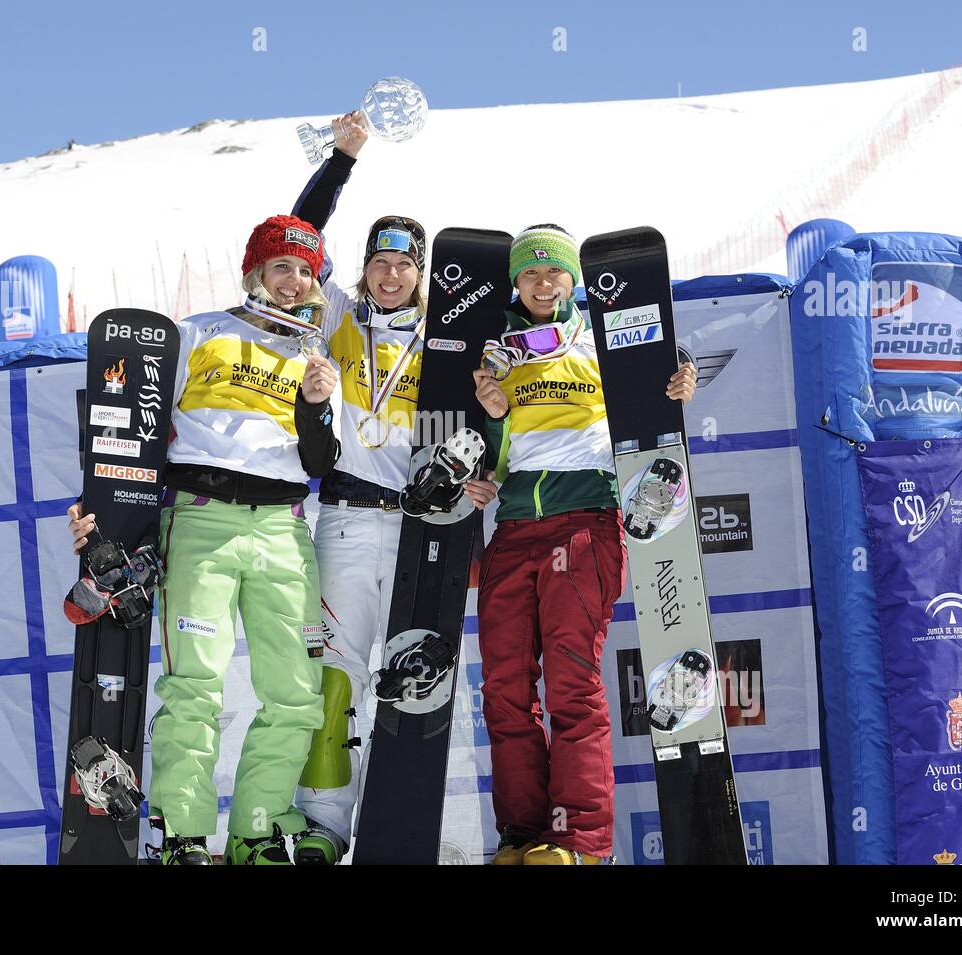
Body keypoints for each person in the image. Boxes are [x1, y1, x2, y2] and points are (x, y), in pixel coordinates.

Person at [67, 214, 341, 865]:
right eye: (280, 266)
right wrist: (95, 508)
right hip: (203, 522)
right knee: (195, 687)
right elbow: (130, 431)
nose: (292, 281)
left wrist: (314, 404)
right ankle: (181, 836)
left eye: (304, 271)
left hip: (283, 530)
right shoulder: (198, 333)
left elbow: (320, 460)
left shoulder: (314, 355)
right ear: (255, 271)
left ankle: (257, 829)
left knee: (296, 694)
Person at [286, 113, 496, 863]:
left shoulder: (447, 338)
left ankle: (403, 831)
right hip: (345, 521)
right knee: (335, 680)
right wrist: (342, 160)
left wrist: (479, 483)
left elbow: (489, 417)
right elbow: (300, 236)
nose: (390, 275)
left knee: (415, 680)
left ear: (423, 272)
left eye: (405, 264)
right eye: (380, 261)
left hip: (423, 528)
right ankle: (323, 827)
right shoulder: (337, 316)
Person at [472, 224, 697, 865]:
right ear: (515, 282)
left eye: (555, 272)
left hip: (584, 520)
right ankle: (522, 833)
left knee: (572, 687)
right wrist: (489, 420)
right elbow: (483, 447)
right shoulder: (494, 346)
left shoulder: (600, 338)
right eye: (530, 273)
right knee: (505, 688)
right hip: (514, 525)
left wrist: (680, 375)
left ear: (573, 280)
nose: (543, 284)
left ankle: (580, 841)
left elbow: (658, 373)